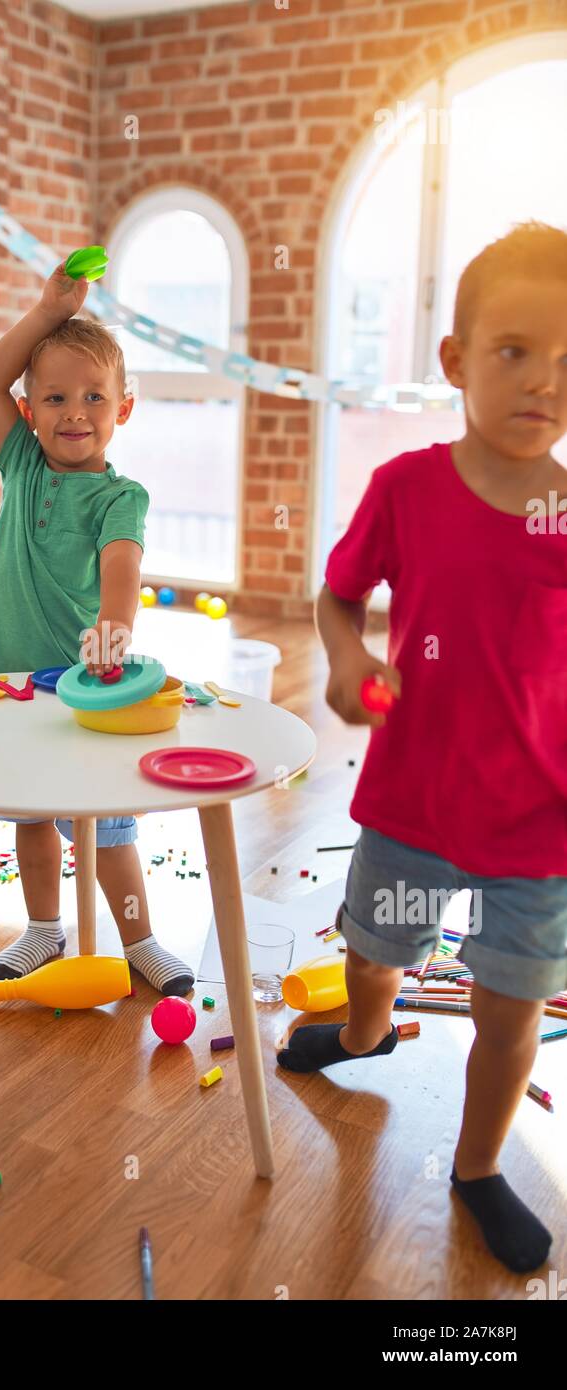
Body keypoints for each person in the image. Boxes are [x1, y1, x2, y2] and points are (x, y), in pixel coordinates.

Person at [278, 221, 567, 1273]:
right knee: (371, 962)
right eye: (515, 350)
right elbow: (339, 594)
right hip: (412, 806)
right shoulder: (407, 488)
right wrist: (348, 666)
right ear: (453, 358)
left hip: (538, 828)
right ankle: (362, 1036)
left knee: (509, 1012)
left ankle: (479, 1167)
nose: (543, 381)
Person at [0, 261, 194, 996]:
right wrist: (43, 312)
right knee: (30, 818)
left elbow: (122, 568)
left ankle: (141, 941)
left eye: (93, 397)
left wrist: (112, 630)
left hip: (87, 689)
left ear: (123, 408)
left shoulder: (121, 496)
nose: (74, 412)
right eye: (55, 397)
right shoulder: (22, 464)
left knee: (110, 831)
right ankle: (41, 930)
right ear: (28, 411)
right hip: (8, 679)